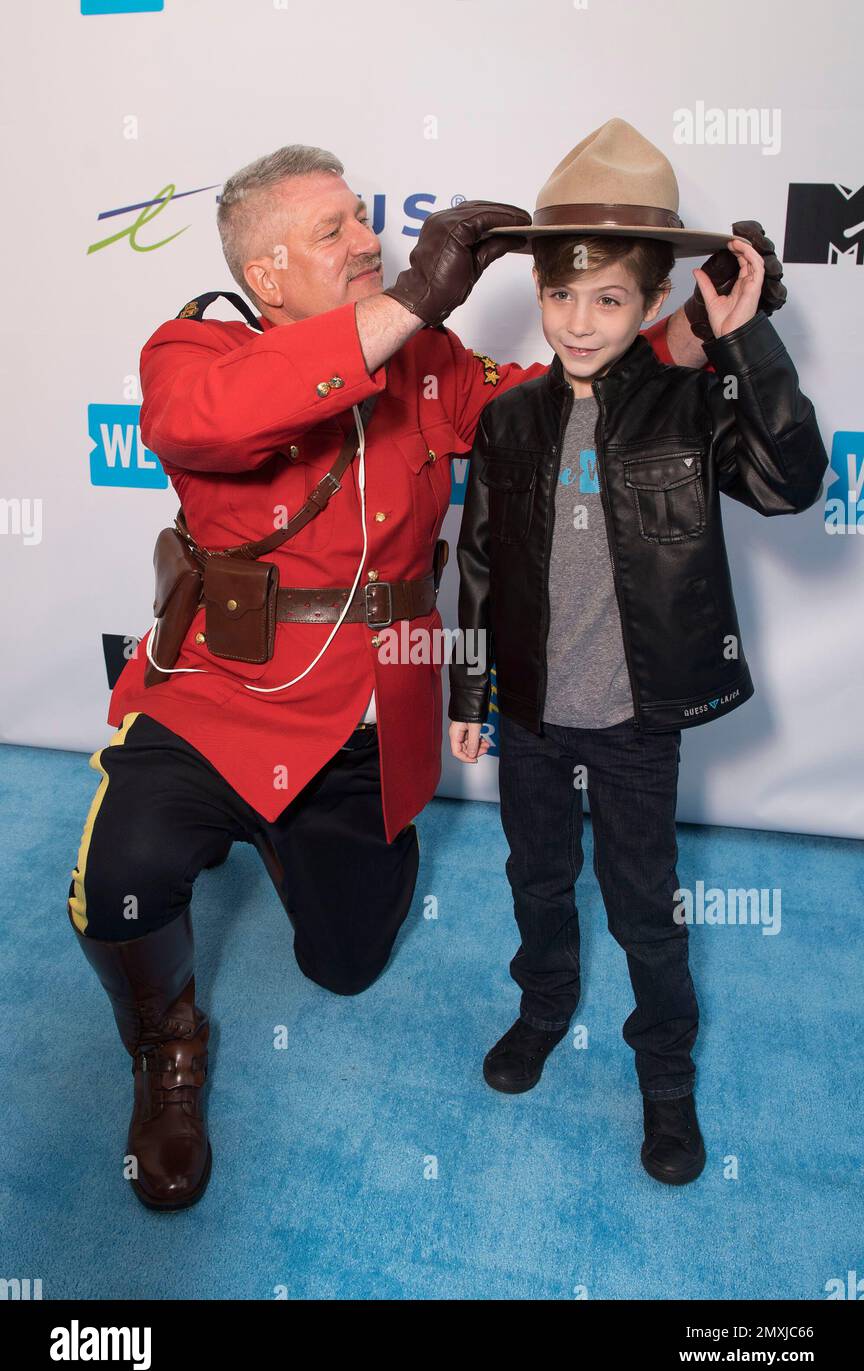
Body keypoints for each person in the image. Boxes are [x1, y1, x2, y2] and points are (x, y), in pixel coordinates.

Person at [65, 139, 780, 1210]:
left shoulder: (426, 360)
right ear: (266, 272)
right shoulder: (191, 350)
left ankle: (290, 844)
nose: (370, 240)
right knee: (121, 878)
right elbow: (205, 421)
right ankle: (166, 1049)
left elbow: (564, 389)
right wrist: (402, 308)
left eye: (365, 217)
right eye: (336, 230)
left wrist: (696, 324)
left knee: (346, 962)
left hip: (360, 721)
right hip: (222, 698)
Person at [447, 118, 828, 1185]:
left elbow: (793, 483)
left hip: (633, 720)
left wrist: (746, 338)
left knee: (644, 903)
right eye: (561, 294)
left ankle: (664, 1073)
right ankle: (544, 1005)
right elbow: (476, 560)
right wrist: (469, 686)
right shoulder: (512, 418)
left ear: (654, 303)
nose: (578, 319)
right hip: (527, 709)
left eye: (608, 297)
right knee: (536, 877)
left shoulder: (691, 400)